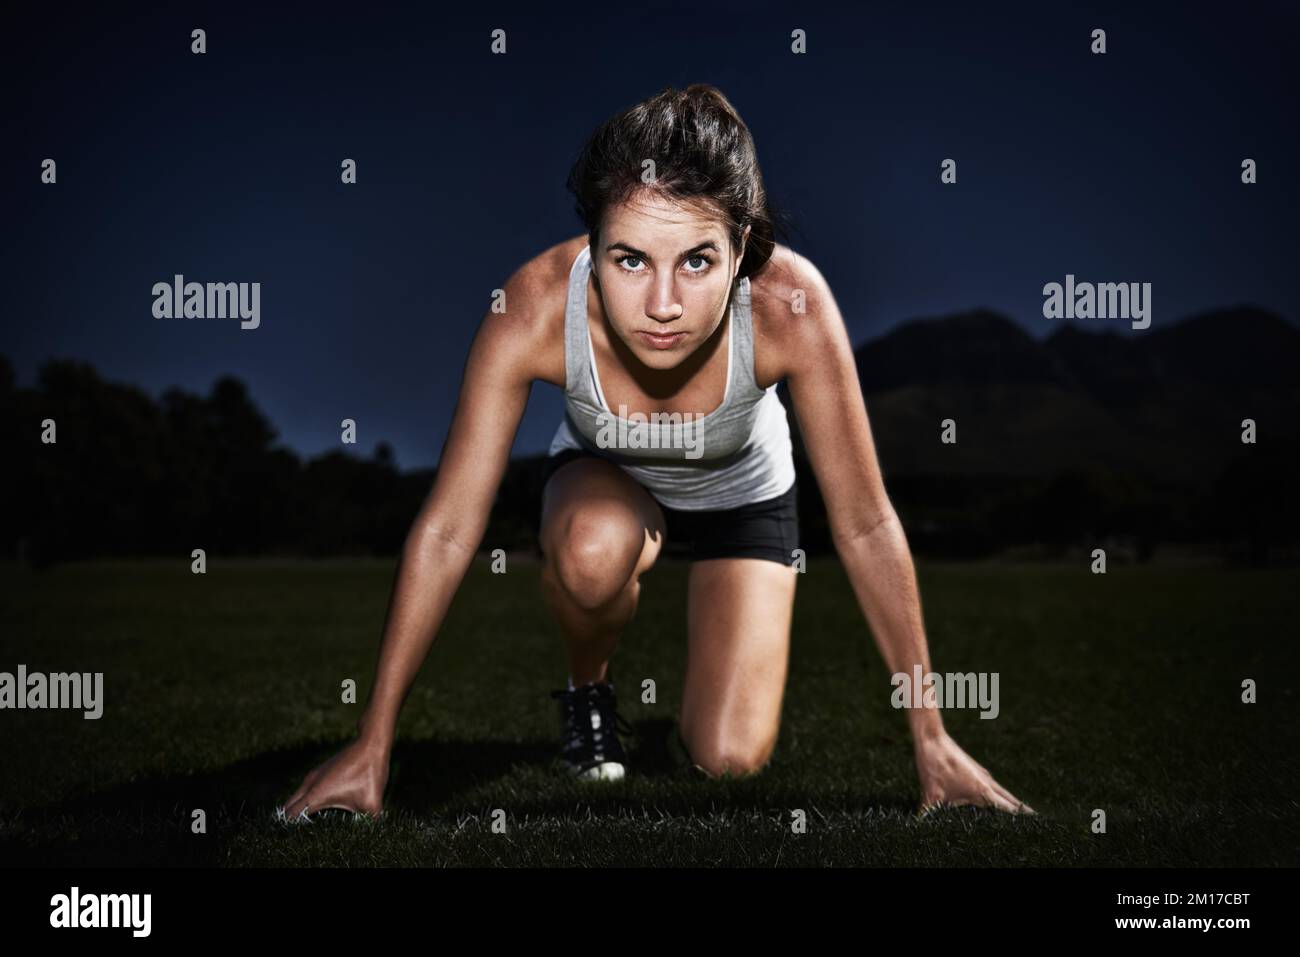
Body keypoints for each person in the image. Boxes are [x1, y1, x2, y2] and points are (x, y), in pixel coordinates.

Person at [281, 83, 1033, 822]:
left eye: (697, 261)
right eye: (631, 260)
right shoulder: (535, 307)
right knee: (592, 549)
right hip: (610, 483)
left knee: (728, 758)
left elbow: (865, 523)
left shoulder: (790, 307)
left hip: (746, 499)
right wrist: (373, 742)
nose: (663, 306)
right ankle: (589, 694)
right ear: (593, 245)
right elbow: (448, 528)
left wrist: (931, 738)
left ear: (743, 248)